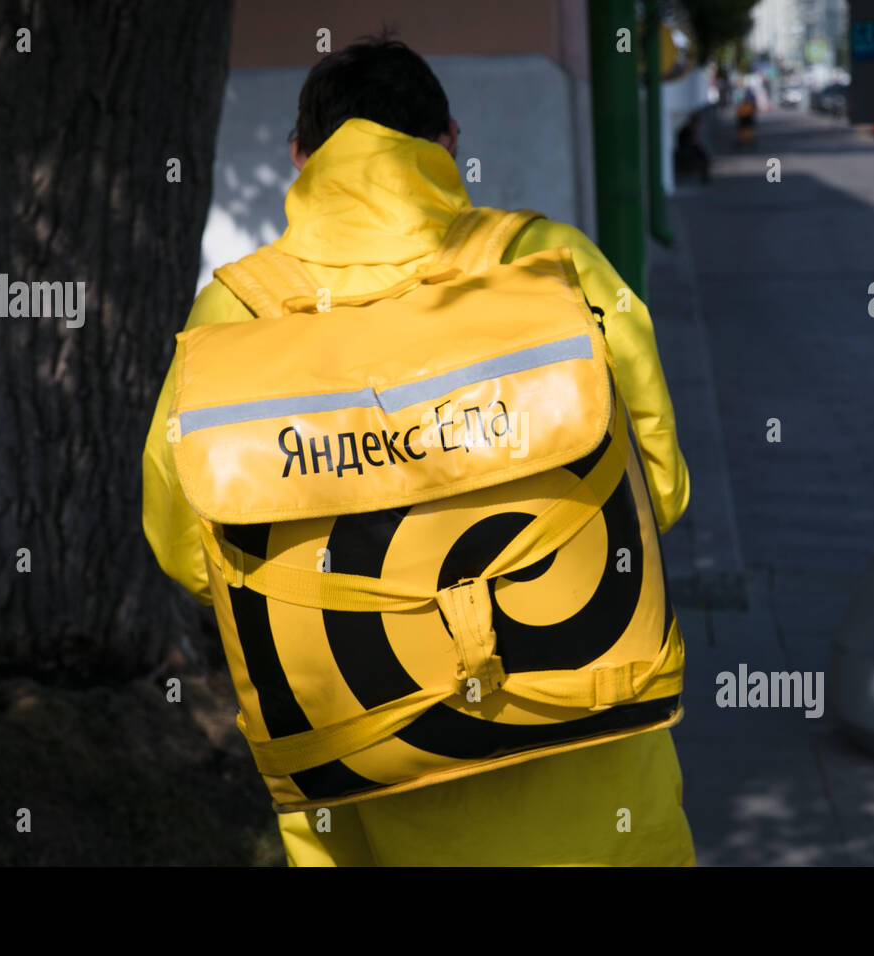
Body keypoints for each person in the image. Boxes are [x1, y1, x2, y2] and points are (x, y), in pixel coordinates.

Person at [141, 37, 694, 865]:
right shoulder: (549, 265)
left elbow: (187, 546)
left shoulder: (232, 315)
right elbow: (661, 488)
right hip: (588, 747)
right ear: (449, 140)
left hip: (361, 774)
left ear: (300, 157)